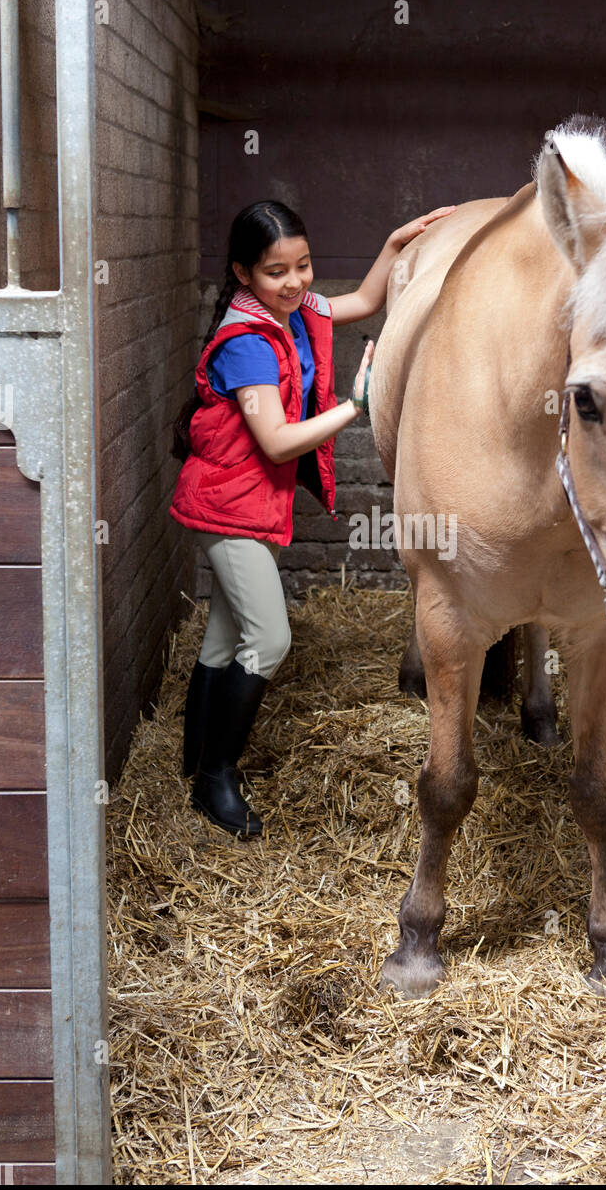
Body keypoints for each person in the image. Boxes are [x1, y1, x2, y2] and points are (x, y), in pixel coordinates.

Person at [169, 198, 455, 836]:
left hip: (252, 503)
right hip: (229, 509)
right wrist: (358, 403)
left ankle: (194, 758)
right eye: (277, 271)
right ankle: (217, 777)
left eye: (304, 265)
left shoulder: (292, 314)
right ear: (244, 274)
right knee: (269, 640)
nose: (296, 281)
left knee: (224, 635)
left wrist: (394, 242)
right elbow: (275, 441)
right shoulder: (246, 343)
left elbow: (359, 301)